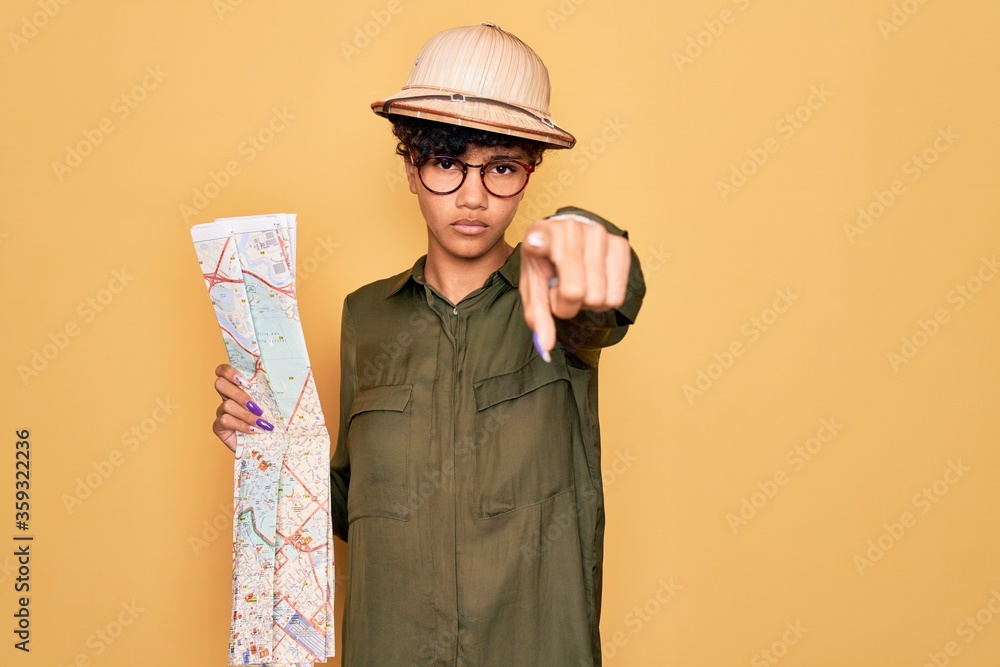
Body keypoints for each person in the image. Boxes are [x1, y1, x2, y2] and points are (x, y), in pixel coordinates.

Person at [210, 22, 646, 666]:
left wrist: (587, 236)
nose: (473, 196)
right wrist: (267, 447)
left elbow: (607, 295)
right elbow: (355, 509)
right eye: (447, 162)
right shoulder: (366, 316)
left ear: (529, 174)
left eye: (501, 167)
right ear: (411, 168)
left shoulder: (553, 293)